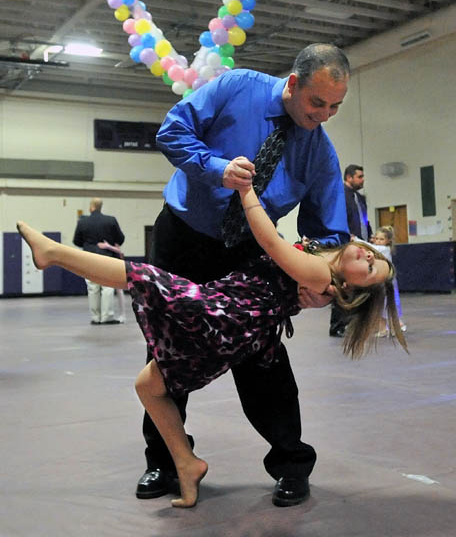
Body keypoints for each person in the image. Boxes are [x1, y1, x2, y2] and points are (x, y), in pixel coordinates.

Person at [16, 182, 404, 507]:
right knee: (148, 386)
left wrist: (247, 191)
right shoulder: (321, 257)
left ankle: (54, 253)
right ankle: (185, 463)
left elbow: (270, 242)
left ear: (351, 288)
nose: (367, 254)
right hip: (226, 316)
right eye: (372, 254)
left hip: (224, 317)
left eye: (370, 267)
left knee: (146, 279)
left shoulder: (319, 273)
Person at [137, 43, 352, 507]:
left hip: (248, 250)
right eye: (317, 103)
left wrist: (320, 284)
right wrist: (216, 168)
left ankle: (291, 464)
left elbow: (329, 236)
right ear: (292, 84)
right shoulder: (237, 87)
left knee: (263, 356)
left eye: (335, 107)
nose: (324, 116)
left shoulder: (319, 154)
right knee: (166, 351)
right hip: (182, 235)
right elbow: (172, 131)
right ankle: (166, 461)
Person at [330, 164, 372, 338]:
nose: (362, 180)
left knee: (359, 287)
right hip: (346, 245)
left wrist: (369, 236)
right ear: (349, 177)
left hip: (362, 244)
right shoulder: (340, 195)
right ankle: (338, 325)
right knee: (344, 286)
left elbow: (364, 220)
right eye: (359, 177)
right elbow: (337, 217)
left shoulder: (359, 198)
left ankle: (355, 324)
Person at [73, 198, 125, 325]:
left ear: (91, 207)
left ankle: (95, 317)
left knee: (92, 288)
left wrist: (88, 245)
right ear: (100, 207)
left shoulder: (82, 222)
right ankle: (107, 316)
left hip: (89, 258)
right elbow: (120, 239)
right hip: (107, 258)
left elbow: (76, 241)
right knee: (107, 287)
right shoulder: (111, 220)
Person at [371, 226, 407, 336]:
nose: (378, 241)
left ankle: (397, 326)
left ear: (388, 241)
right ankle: (383, 329)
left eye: (381, 239)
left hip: (387, 282)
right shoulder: (376, 249)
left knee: (389, 305)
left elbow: (369, 246)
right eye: (376, 239)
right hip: (378, 281)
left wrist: (356, 240)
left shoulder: (385, 250)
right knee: (379, 306)